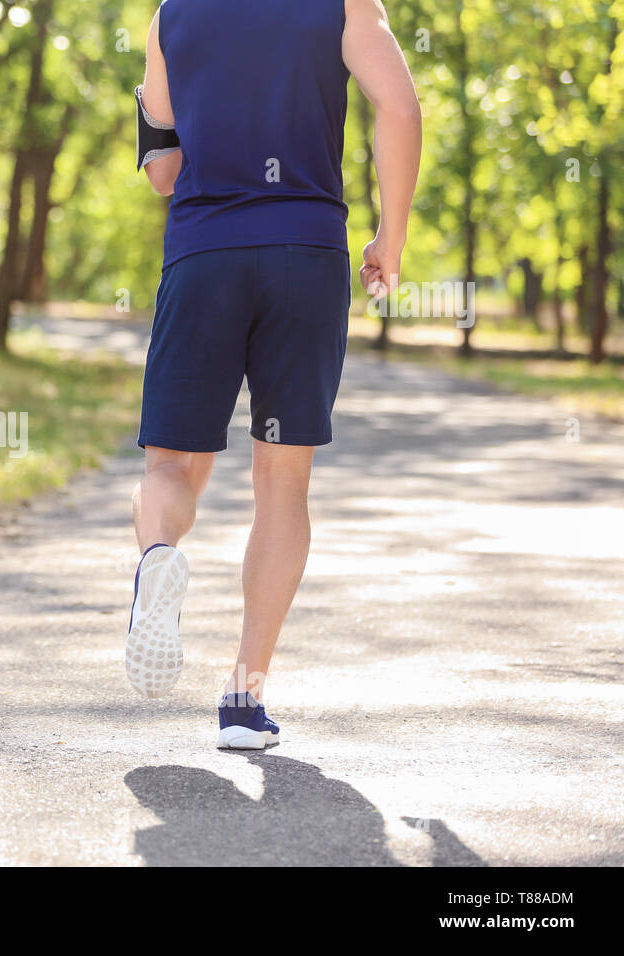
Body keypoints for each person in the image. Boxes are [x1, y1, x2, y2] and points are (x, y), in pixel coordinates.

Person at [126, 0, 422, 748]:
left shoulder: (171, 16)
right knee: (282, 480)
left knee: (171, 464)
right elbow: (399, 107)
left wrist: (158, 102)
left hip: (203, 256)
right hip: (305, 253)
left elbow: (164, 173)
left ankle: (158, 557)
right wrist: (390, 237)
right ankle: (243, 698)